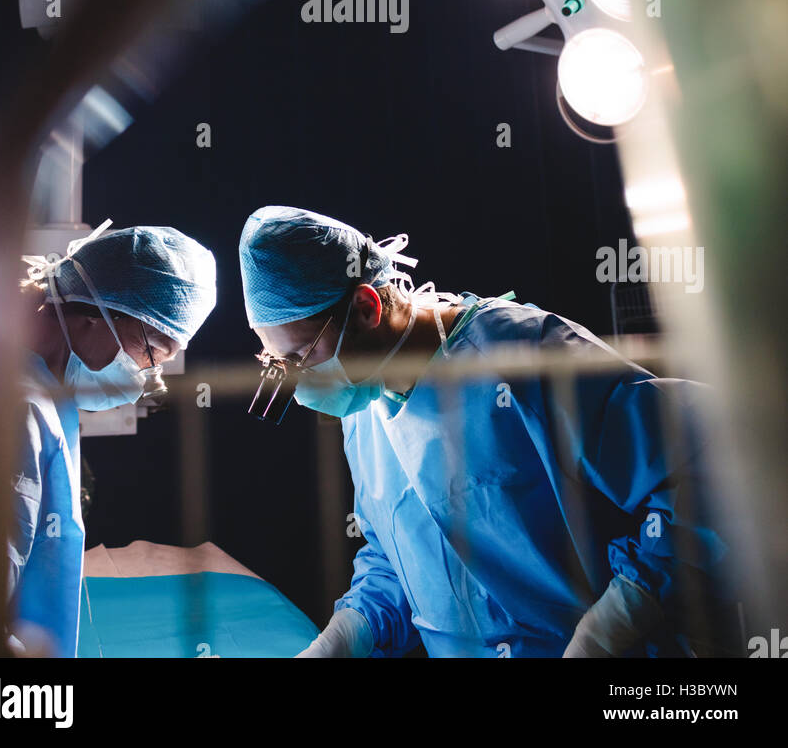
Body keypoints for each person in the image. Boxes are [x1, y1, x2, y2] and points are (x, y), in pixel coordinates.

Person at [239, 205, 739, 659]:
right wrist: (343, 638)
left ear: (368, 307)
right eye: (276, 362)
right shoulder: (363, 410)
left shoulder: (521, 356)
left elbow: (703, 472)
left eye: (300, 357)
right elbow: (400, 559)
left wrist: (604, 635)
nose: (298, 383)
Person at [0, 222, 216, 656]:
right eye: (153, 353)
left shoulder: (37, 392)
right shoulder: (12, 405)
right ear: (94, 316)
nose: (150, 377)